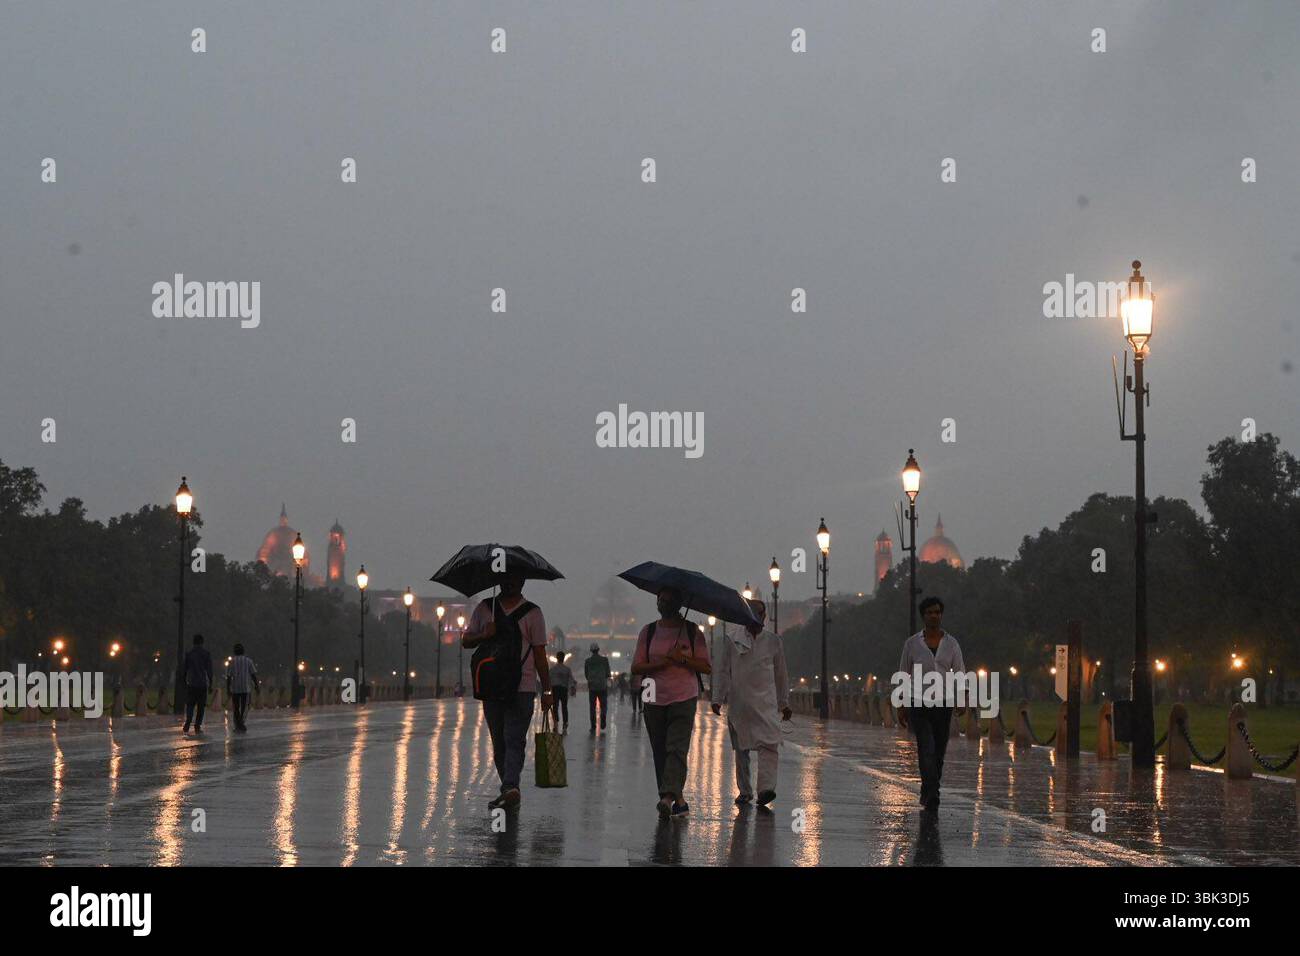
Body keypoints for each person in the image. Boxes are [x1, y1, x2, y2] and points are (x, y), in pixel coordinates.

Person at [462, 573, 553, 810]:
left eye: (515, 578)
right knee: (499, 741)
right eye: (506, 578)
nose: (510, 582)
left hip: (522, 686)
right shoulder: (485, 608)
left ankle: (510, 786)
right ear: (499, 581)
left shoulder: (533, 613)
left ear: (523, 581)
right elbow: (466, 640)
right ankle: (510, 788)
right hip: (491, 686)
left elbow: (540, 655)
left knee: (514, 738)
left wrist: (547, 690)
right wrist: (484, 634)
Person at [632, 587, 711, 818]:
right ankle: (678, 798)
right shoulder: (648, 632)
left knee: (676, 748)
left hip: (683, 696)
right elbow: (636, 667)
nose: (662, 602)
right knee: (660, 749)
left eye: (667, 599)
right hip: (652, 694)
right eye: (660, 598)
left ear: (678, 603)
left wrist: (682, 658)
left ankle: (667, 797)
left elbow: (706, 667)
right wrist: (663, 663)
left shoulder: (692, 631)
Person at [711, 599, 791, 809]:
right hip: (740, 702)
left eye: (761, 614)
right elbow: (723, 670)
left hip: (766, 702)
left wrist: (783, 703)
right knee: (741, 748)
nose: (758, 618)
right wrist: (717, 698)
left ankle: (765, 789)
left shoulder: (773, 641)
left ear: (765, 615)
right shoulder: (732, 639)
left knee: (769, 745)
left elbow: (781, 674)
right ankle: (745, 790)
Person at [897, 596, 965, 814]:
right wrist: (901, 704)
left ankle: (929, 791)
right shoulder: (912, 644)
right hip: (919, 703)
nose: (934, 615)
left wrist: (961, 697)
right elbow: (903, 674)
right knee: (926, 748)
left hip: (943, 704)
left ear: (941, 615)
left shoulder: (952, 643)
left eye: (937, 612)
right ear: (923, 616)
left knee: (938, 752)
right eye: (929, 612)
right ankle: (933, 793)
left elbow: (960, 671)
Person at [181, 633, 213, 734]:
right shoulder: (206, 654)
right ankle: (197, 725)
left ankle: (188, 720)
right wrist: (211, 683)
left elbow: (185, 669)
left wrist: (184, 681)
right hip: (202, 684)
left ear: (193, 642)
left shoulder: (189, 654)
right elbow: (209, 670)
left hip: (191, 683)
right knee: (201, 706)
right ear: (202, 642)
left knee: (190, 704)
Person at [226, 643, 260, 732]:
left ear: (234, 651)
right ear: (243, 651)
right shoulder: (248, 661)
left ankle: (238, 724)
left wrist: (228, 689)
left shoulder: (232, 662)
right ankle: (241, 723)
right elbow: (253, 675)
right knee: (245, 707)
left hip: (235, 688)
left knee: (236, 707)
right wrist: (256, 686)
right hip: (246, 688)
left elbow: (228, 677)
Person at [584, 643, 610, 734]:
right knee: (604, 705)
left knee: (592, 707)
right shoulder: (604, 660)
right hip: (602, 686)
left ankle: (593, 725)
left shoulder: (587, 661)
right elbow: (608, 673)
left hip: (592, 687)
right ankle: (603, 717)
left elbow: (586, 674)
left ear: (591, 651)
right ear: (598, 650)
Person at [550, 652, 573, 733]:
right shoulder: (567, 669)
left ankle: (556, 722)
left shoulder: (553, 669)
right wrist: (572, 688)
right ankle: (565, 723)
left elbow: (549, 680)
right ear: (563, 658)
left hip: (555, 689)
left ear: (557, 658)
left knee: (555, 707)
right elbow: (571, 680)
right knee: (564, 707)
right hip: (563, 689)